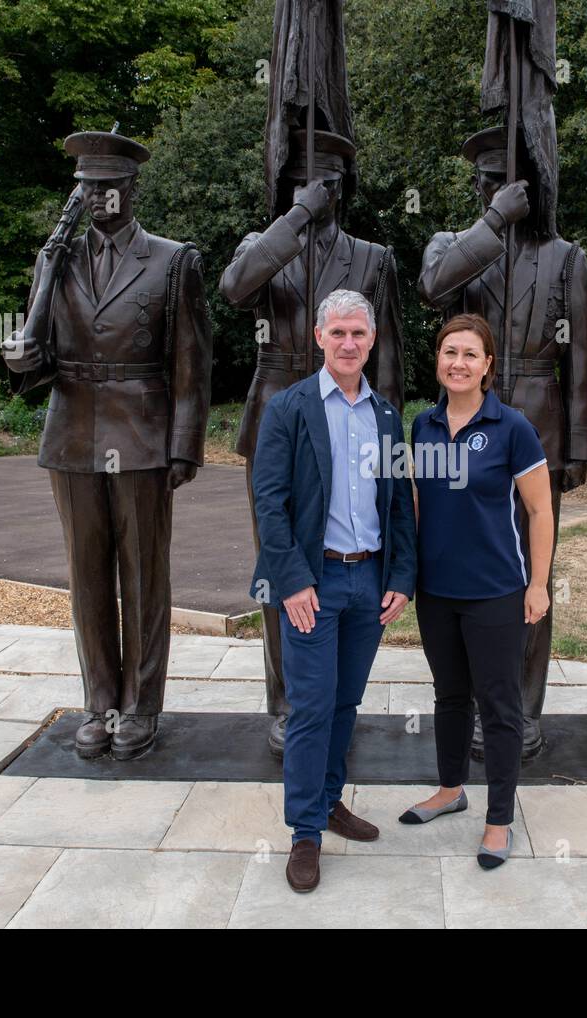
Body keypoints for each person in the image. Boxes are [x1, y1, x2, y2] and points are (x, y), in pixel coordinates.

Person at [4, 130, 212, 761]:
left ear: (130, 189)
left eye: (108, 188)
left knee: (145, 575)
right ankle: (101, 702)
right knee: (87, 575)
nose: (97, 199)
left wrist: (184, 446)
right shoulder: (55, 260)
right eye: (87, 188)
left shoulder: (174, 261)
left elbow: (191, 364)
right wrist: (25, 359)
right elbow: (39, 359)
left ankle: (143, 704)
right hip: (72, 432)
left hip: (143, 431)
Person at [222, 129, 404, 757]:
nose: (321, 189)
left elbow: (391, 360)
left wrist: (393, 445)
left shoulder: (372, 257)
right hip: (280, 414)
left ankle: (330, 706)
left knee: (342, 556)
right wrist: (296, 216)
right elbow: (235, 287)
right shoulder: (264, 245)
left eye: (329, 180)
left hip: (354, 418)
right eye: (307, 180)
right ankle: (286, 702)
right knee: (284, 567)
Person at [418, 127, 587, 759]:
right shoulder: (456, 247)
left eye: (511, 182)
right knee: (466, 571)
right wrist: (495, 220)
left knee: (532, 571)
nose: (501, 191)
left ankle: (521, 707)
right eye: (490, 183)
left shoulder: (565, 257)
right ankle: (464, 704)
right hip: (464, 428)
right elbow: (432, 289)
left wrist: (577, 447)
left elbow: (578, 363)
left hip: (538, 420)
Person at [249, 288, 416, 892]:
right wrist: (291, 580)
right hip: (311, 584)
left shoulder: (386, 414)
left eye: (359, 334)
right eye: (338, 332)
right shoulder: (289, 408)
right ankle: (304, 833)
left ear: (372, 342)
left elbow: (398, 506)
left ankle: (328, 801)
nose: (349, 343)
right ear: (319, 337)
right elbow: (269, 503)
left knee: (346, 704)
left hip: (368, 582)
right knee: (312, 707)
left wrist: (401, 578)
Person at [399, 313, 554, 869]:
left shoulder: (511, 427)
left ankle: (498, 819)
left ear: (488, 365)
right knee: (449, 695)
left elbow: (539, 510)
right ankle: (449, 790)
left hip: (496, 593)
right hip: (437, 591)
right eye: (449, 352)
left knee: (500, 704)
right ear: (437, 361)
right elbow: (420, 502)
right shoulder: (423, 425)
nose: (458, 362)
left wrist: (537, 584)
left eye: (470, 354)